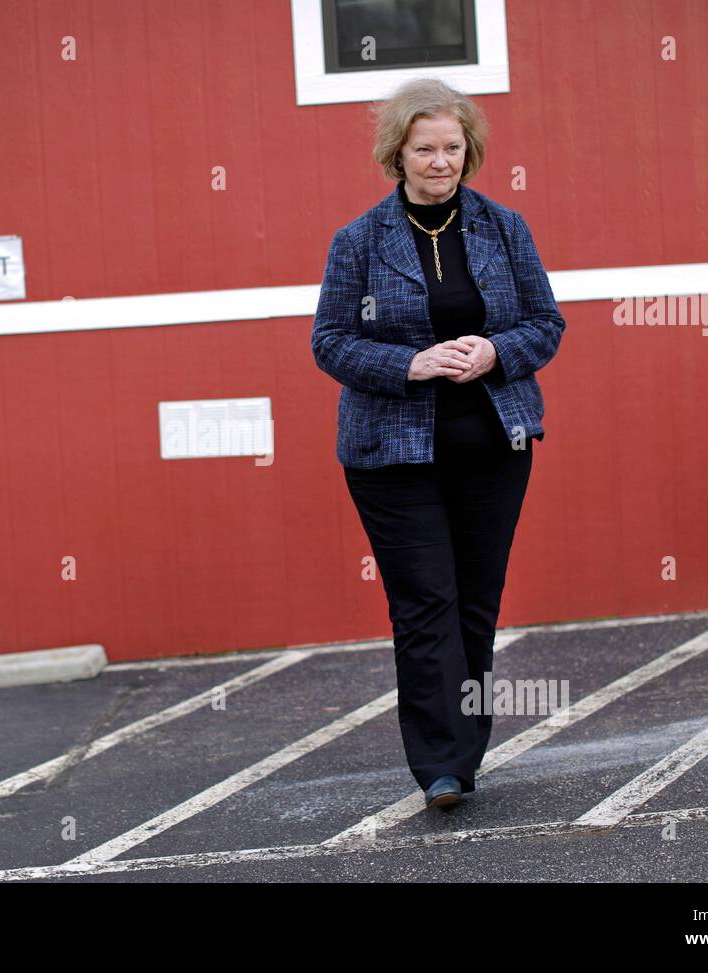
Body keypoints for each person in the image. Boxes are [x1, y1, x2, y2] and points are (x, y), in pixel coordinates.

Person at [310, 77, 565, 810]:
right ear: (398, 153)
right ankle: (440, 766)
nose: (440, 161)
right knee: (425, 601)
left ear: (469, 151)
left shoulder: (505, 228)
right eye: (425, 148)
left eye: (453, 147)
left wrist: (494, 351)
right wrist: (409, 363)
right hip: (392, 454)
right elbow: (329, 342)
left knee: (476, 603)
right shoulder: (358, 240)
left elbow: (546, 324)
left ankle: (466, 749)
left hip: (492, 442)